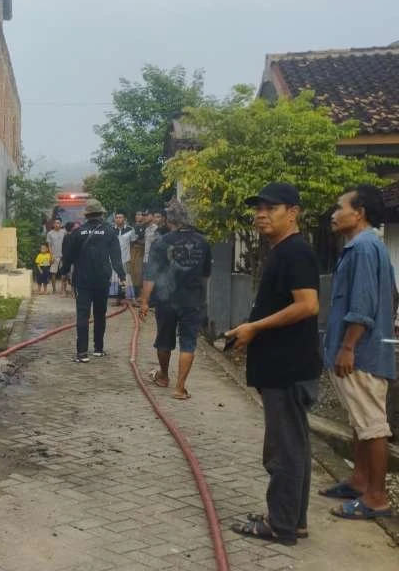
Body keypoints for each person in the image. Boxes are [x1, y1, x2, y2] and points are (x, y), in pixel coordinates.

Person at [226, 183, 320, 546]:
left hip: (288, 368)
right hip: (282, 365)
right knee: (292, 447)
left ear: (293, 212)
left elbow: (307, 305)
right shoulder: (283, 251)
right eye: (258, 208)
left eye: (271, 207)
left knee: (284, 451)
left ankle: (280, 525)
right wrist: (250, 334)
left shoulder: (295, 252)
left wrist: (254, 327)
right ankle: (291, 520)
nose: (261, 214)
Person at [320, 184, 395, 521]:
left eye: (340, 208)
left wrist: (348, 346)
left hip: (361, 353)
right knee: (358, 420)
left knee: (372, 425)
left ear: (359, 212)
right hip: (359, 349)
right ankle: (359, 481)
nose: (334, 215)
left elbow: (362, 305)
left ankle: (376, 498)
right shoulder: (365, 246)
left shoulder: (364, 248)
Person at [139, 198, 211, 400]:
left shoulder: (161, 242)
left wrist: (144, 302)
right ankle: (180, 388)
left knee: (164, 339)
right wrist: (201, 300)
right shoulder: (203, 242)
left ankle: (163, 376)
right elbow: (205, 275)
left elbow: (150, 275)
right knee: (188, 343)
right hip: (193, 300)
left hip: (166, 300)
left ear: (169, 220)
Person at [59, 199, 125, 363]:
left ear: (86, 215)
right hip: (102, 279)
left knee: (83, 315)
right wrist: (122, 275)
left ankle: (82, 353)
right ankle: (98, 349)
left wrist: (64, 272)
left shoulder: (77, 232)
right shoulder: (110, 232)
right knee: (100, 314)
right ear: (102, 214)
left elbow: (68, 257)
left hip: (82, 279)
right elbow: (116, 258)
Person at [113, 212, 138, 301]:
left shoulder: (130, 230)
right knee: (115, 277)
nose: (118, 219)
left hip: (126, 258)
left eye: (120, 217)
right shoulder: (111, 229)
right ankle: (117, 298)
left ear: (125, 219)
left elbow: (132, 243)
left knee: (127, 277)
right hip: (114, 258)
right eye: (117, 217)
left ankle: (129, 297)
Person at [46, 218, 67, 295]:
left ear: (61, 224)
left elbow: (67, 243)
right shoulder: (50, 233)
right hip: (54, 256)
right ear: (53, 224)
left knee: (64, 273)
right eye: (55, 223)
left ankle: (63, 290)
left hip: (63, 256)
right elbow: (49, 246)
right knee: (53, 273)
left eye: (58, 223)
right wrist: (51, 256)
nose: (57, 224)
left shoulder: (64, 232)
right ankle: (54, 290)